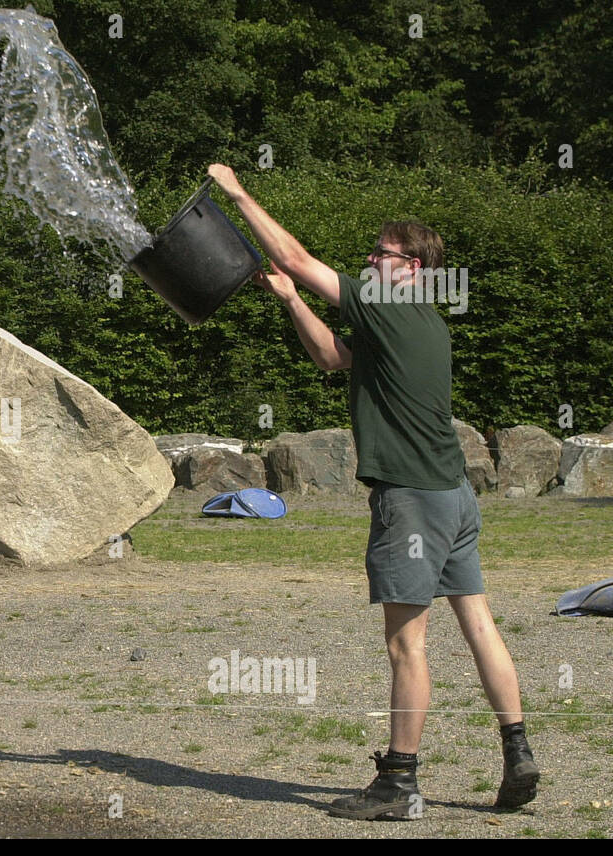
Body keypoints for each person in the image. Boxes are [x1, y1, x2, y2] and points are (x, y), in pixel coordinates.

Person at [204, 163, 539, 820]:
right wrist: (292, 302)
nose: (368, 260)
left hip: (411, 500)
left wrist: (238, 193)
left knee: (405, 644)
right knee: (478, 625)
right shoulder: (422, 321)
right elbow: (334, 359)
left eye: (381, 253)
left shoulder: (384, 302)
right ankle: (517, 750)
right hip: (453, 498)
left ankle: (400, 784)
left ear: (412, 267)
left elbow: (298, 257)